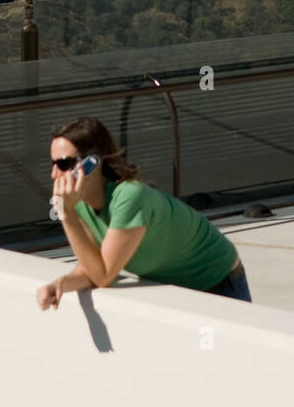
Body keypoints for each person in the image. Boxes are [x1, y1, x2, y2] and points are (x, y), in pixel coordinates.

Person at [36, 116, 251, 308]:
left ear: (93, 162)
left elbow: (104, 276)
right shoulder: (79, 203)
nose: (54, 173)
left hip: (217, 282)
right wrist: (60, 285)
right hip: (176, 287)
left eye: (64, 163)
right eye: (53, 163)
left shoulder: (130, 196)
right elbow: (93, 265)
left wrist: (67, 215)